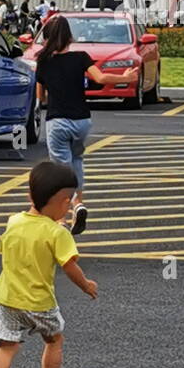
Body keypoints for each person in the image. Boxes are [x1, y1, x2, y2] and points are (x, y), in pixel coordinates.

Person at [0, 159, 98, 368]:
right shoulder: (57, 233)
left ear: (30, 195)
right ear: (61, 203)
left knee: (7, 346)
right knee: (54, 340)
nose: (69, 206)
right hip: (39, 302)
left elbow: (5, 250)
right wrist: (86, 285)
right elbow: (70, 267)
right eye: (68, 201)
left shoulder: (13, 221)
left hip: (8, 298)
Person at [35, 13, 138, 236]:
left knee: (61, 170)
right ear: (70, 37)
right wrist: (126, 78)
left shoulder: (43, 62)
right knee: (77, 161)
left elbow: (40, 97)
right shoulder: (81, 57)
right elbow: (100, 79)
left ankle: (62, 217)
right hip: (82, 121)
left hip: (58, 121)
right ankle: (78, 205)